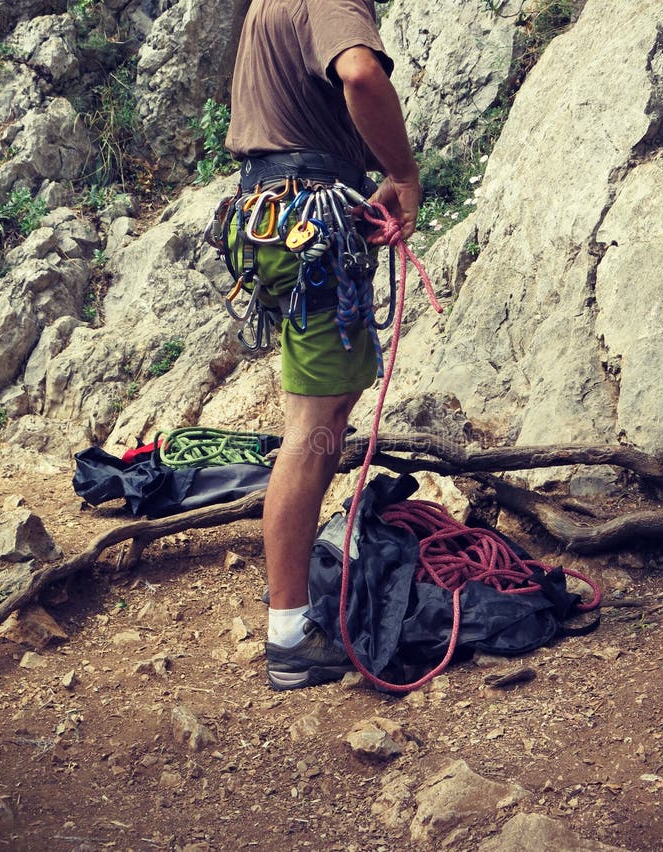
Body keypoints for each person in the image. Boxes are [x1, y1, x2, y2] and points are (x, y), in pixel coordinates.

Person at [224, 0, 420, 689]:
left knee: (320, 419)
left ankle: (294, 602)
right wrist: (403, 175)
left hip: (278, 216)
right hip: (309, 223)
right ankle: (289, 635)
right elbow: (361, 74)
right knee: (312, 427)